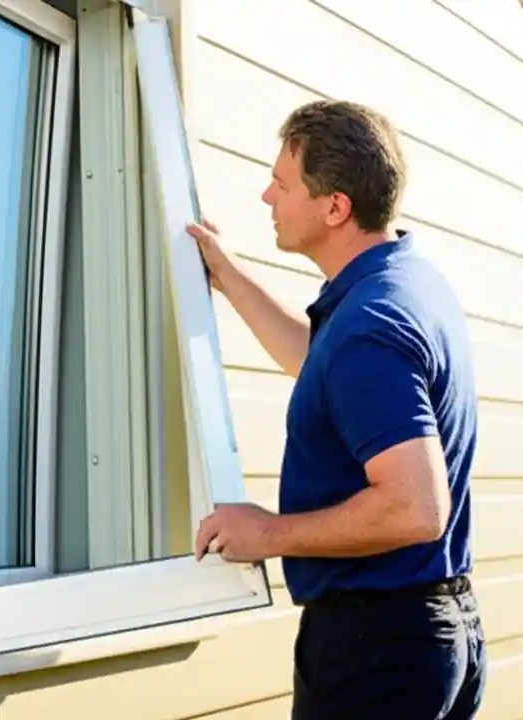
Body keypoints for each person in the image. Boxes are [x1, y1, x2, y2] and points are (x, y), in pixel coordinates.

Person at [190, 100, 486, 719]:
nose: (267, 195)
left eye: (282, 182)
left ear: (335, 208)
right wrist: (227, 276)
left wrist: (266, 533)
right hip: (429, 633)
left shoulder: (368, 326)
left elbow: (415, 507)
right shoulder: (404, 283)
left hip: (377, 652)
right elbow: (321, 366)